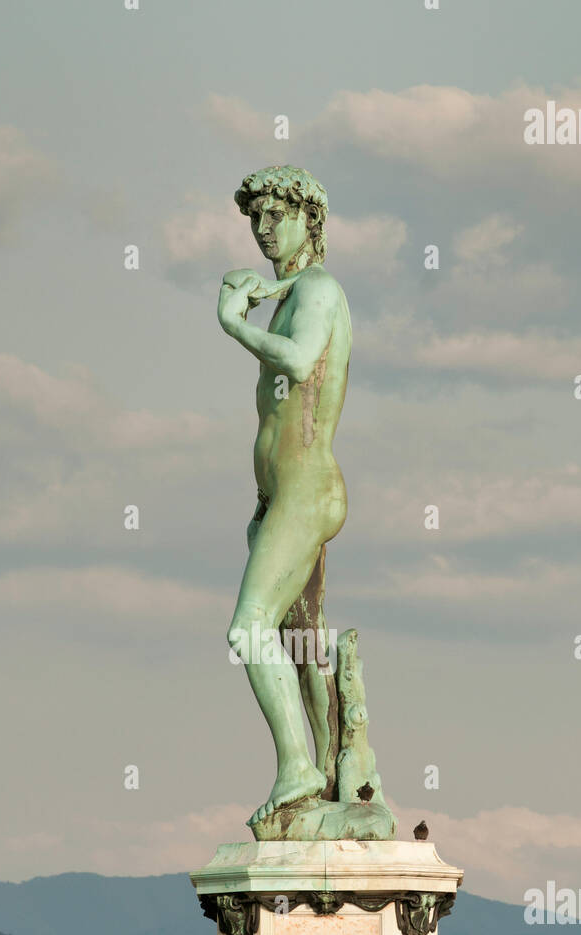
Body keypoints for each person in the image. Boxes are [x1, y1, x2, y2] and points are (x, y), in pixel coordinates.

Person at [218, 166, 351, 826]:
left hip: (305, 491)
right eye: (255, 219)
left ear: (309, 218)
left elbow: (299, 364)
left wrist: (232, 323)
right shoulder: (291, 293)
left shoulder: (319, 289)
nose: (263, 229)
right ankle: (337, 775)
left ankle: (297, 769)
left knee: (248, 630)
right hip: (282, 498)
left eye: (276, 216)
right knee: (300, 645)